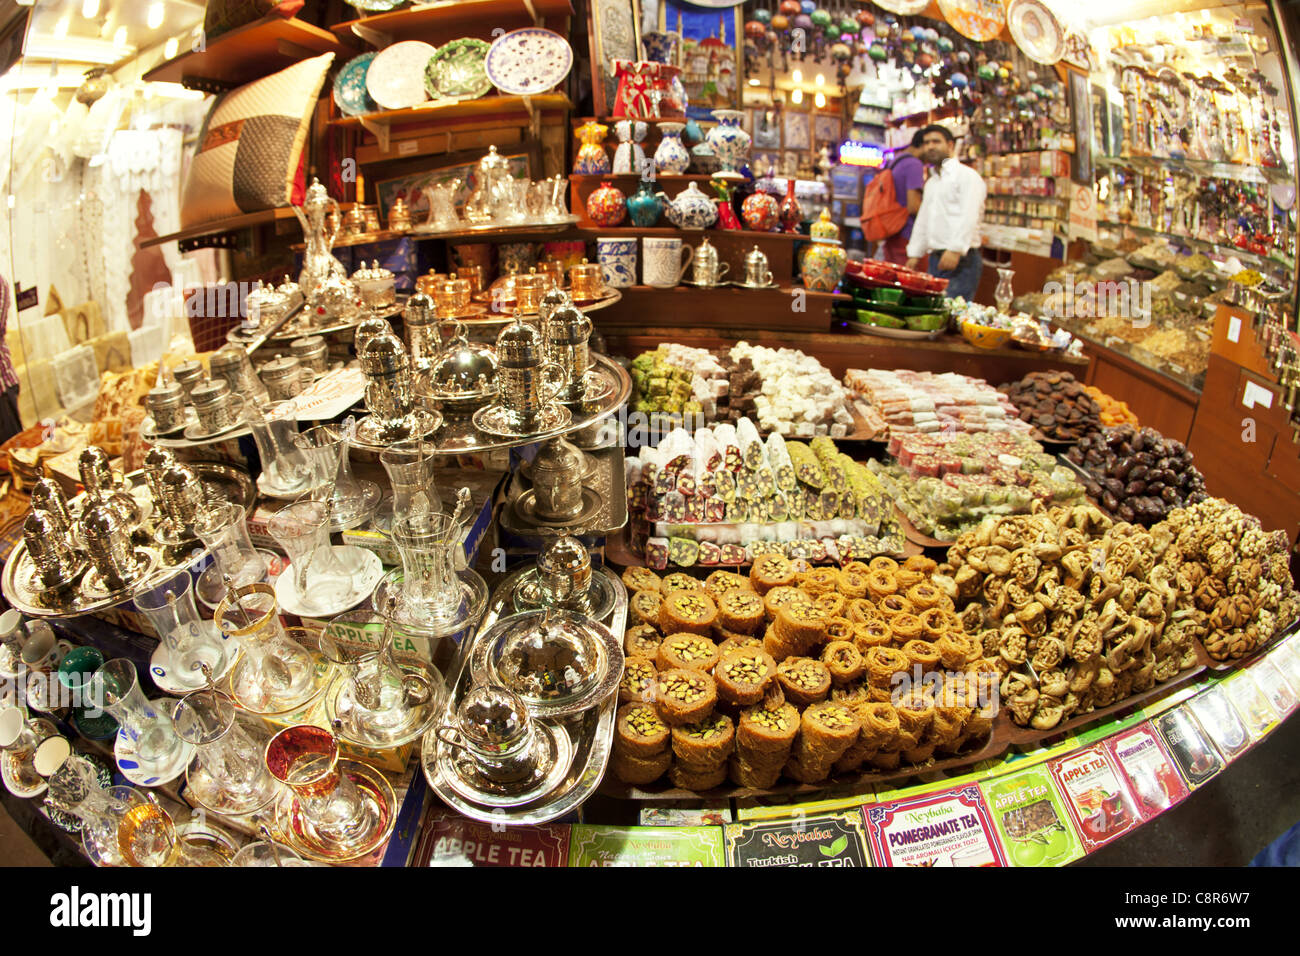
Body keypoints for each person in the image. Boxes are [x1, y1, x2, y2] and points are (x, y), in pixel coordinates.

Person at [905, 124, 987, 301]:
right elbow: (924, 220)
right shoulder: (933, 182)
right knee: (933, 308)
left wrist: (955, 249)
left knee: (951, 312)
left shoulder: (966, 177)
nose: (930, 147)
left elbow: (969, 215)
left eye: (936, 141)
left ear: (950, 145)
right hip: (936, 258)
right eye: (927, 143)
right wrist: (914, 253)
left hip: (961, 260)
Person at [878, 130, 925, 265]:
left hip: (891, 230)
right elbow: (913, 206)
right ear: (922, 146)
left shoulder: (896, 160)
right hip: (906, 234)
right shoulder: (914, 164)